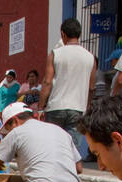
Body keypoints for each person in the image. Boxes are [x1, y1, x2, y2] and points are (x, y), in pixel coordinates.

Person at [38, 19, 96, 151]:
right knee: (71, 150)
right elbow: (92, 87)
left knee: (52, 148)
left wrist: (41, 107)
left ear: (63, 34)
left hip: (55, 107)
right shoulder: (90, 57)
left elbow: (47, 82)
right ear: (79, 34)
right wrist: (86, 106)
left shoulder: (55, 54)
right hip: (78, 108)